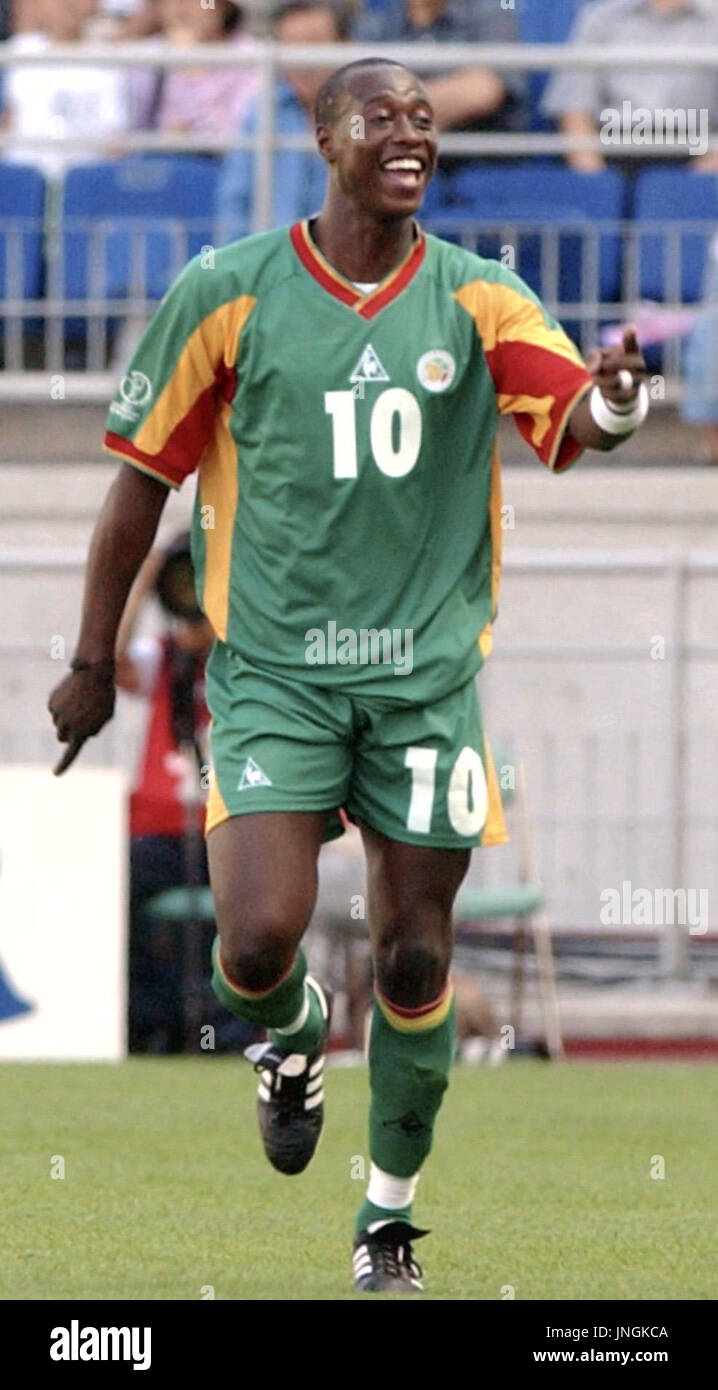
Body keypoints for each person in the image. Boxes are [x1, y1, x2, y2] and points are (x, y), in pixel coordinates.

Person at [49, 56, 649, 1295]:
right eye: (382, 116)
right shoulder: (230, 290)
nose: (410, 135)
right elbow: (138, 484)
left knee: (416, 960)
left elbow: (570, 418)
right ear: (323, 137)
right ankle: (285, 1042)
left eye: (426, 120)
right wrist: (92, 658)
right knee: (260, 936)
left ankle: (385, 1225)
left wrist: (622, 407)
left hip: (422, 682)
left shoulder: (480, 297)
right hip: (273, 673)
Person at [216, 1, 346, 240]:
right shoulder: (263, 113)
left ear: (345, 47)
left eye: (314, 46)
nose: (304, 62)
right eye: (292, 49)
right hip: (273, 267)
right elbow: (236, 202)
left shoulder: (367, 117)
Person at [542, 0, 718, 174]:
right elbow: (574, 107)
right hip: (613, 146)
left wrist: (701, 180)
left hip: (696, 147)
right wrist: (596, 180)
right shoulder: (600, 16)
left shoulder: (714, 19)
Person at [1, 0, 135, 179]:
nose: (66, 4)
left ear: (93, 4)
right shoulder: (16, 52)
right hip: (23, 175)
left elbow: (115, 138)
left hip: (85, 180)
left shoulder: (109, 62)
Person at [352, 0, 526, 135]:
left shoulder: (490, 15)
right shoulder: (376, 23)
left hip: (476, 158)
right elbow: (355, 102)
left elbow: (484, 91)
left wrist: (391, 106)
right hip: (390, 160)